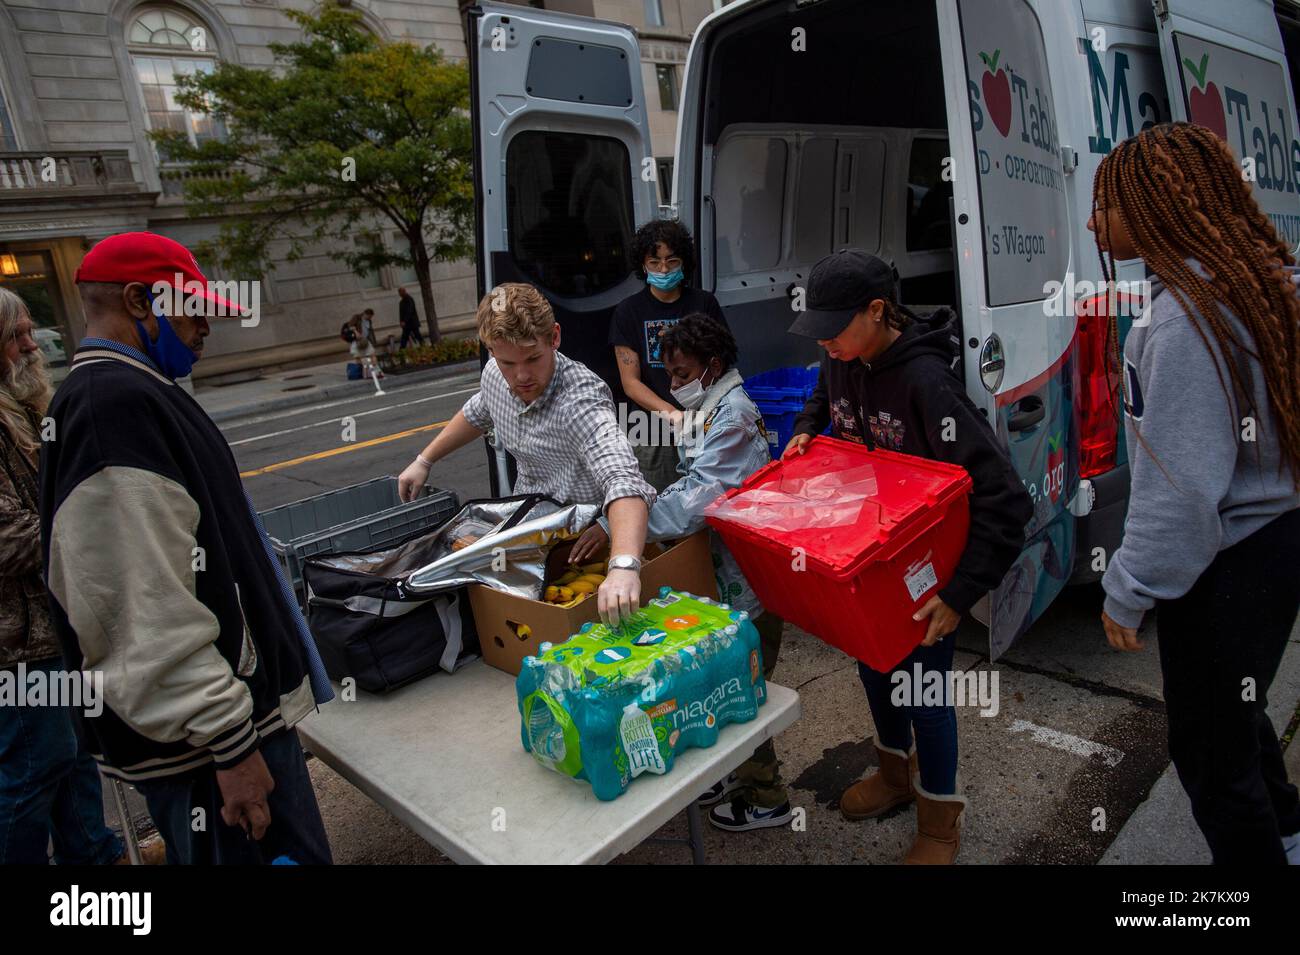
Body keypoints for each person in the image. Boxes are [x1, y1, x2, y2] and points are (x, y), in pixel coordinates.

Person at [40, 232, 334, 865]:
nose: (206, 326)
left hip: (223, 735)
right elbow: (142, 609)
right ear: (140, 301)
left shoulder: (136, 391)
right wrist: (231, 747)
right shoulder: (107, 407)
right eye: (193, 309)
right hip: (207, 753)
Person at [1090, 122, 1300, 865]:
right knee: (1240, 715)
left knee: (1210, 754)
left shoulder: (1179, 321)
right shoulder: (1264, 281)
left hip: (1232, 561)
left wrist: (1127, 587)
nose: (1093, 222)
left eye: (1105, 205)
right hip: (1279, 538)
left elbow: (1177, 492)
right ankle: (1289, 831)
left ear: (1152, 209)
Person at [785, 249, 1032, 864]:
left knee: (924, 692)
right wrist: (808, 428)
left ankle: (940, 822)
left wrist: (958, 593)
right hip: (869, 558)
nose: (825, 343)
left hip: (928, 574)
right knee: (873, 665)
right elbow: (826, 397)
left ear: (877, 310)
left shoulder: (927, 382)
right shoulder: (840, 353)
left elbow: (1007, 500)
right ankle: (894, 777)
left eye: (834, 329)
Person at [570, 314, 790, 830]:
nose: (672, 385)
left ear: (713, 366)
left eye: (681, 372)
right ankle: (731, 771)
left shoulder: (732, 416)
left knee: (744, 689)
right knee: (720, 680)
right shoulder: (710, 408)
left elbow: (697, 500)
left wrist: (624, 523)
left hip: (748, 581)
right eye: (667, 374)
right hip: (724, 576)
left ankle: (768, 796)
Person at [0, 288, 158, 865]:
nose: (30, 346)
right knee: (33, 766)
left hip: (52, 624)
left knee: (71, 755)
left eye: (27, 331)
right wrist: (86, 517)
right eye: (14, 337)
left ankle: (97, 859)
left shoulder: (27, 407)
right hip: (14, 644)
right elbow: (9, 536)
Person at [398, 282, 655, 625]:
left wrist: (624, 566)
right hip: (529, 521)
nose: (521, 376)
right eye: (507, 361)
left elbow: (624, 481)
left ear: (555, 338)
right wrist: (424, 460)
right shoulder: (494, 375)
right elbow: (478, 411)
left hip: (584, 539)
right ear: (491, 351)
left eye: (533, 358)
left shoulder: (581, 401)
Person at [610, 219, 728, 492]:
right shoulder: (628, 312)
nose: (663, 269)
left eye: (672, 261)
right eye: (655, 262)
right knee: (662, 507)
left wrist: (700, 414)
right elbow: (631, 383)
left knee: (706, 503)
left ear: (683, 263)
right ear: (643, 265)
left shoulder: (704, 303)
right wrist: (674, 415)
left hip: (705, 423)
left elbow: (722, 364)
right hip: (653, 432)